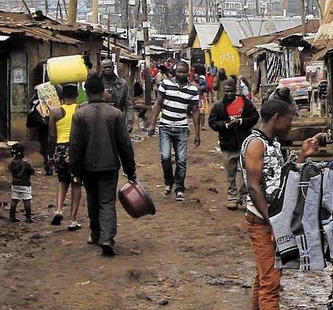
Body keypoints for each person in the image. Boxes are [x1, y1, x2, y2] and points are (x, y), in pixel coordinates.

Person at [241, 96, 322, 310]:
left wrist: (302, 156)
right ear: (276, 118)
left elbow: (281, 178)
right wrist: (273, 222)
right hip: (263, 220)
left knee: (264, 275)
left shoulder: (272, 144)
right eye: (289, 119)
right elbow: (253, 187)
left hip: (271, 218)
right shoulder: (255, 143)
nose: (290, 125)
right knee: (271, 280)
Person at [68, 74, 137, 256]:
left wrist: (75, 170)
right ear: (102, 90)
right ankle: (107, 238)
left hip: (87, 167)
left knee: (92, 200)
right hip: (110, 165)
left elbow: (75, 146)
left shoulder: (79, 115)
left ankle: (95, 234)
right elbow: (125, 146)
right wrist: (130, 171)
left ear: (86, 92)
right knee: (107, 202)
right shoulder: (116, 114)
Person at [149, 60, 202, 200]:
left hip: (182, 128)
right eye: (179, 71)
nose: (181, 74)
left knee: (181, 160)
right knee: (165, 157)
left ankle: (179, 187)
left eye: (184, 72)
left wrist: (197, 134)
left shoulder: (193, 89)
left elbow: (195, 111)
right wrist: (152, 124)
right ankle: (168, 183)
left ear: (188, 73)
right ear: (175, 71)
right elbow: (158, 103)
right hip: (165, 126)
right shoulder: (166, 84)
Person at [208, 81, 259, 209]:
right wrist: (226, 125)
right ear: (223, 91)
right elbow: (212, 122)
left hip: (244, 143)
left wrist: (241, 121)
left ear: (235, 90)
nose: (229, 94)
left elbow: (254, 117)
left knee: (245, 172)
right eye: (227, 91)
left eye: (231, 91)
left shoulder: (245, 103)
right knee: (230, 173)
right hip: (227, 143)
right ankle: (232, 198)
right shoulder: (218, 106)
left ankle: (244, 197)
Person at [48, 83, 83, 230]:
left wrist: (51, 155)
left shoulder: (55, 112)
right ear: (76, 96)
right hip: (75, 149)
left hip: (60, 149)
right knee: (76, 183)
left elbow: (51, 136)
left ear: (62, 96)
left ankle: (58, 209)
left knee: (62, 180)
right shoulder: (80, 110)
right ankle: (73, 220)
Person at [8, 143, 34, 223]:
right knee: (26, 200)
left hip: (15, 184)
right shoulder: (25, 164)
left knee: (14, 200)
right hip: (25, 185)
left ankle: (12, 216)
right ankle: (28, 217)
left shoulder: (11, 163)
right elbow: (31, 172)